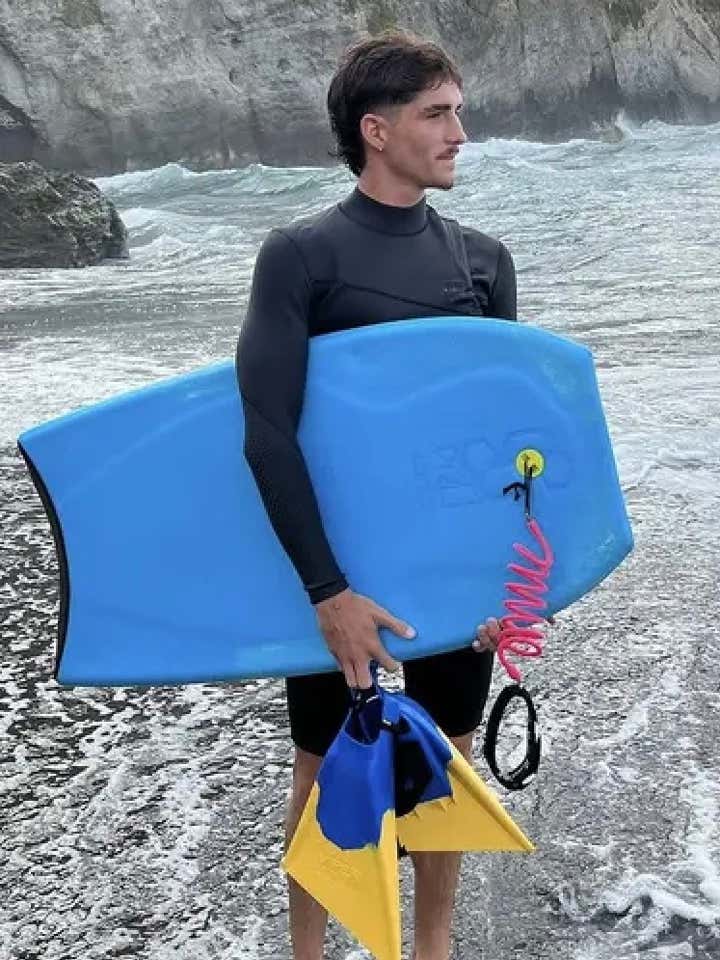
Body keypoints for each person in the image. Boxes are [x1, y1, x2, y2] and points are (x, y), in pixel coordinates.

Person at [235, 29, 515, 960]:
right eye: (437, 113)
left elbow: (496, 441)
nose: (459, 132)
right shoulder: (301, 258)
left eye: (458, 111)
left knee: (449, 761)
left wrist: (505, 591)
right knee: (320, 765)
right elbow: (268, 431)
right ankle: (308, 952)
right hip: (338, 563)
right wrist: (327, 592)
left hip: (448, 566)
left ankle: (431, 948)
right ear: (376, 130)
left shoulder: (484, 263)